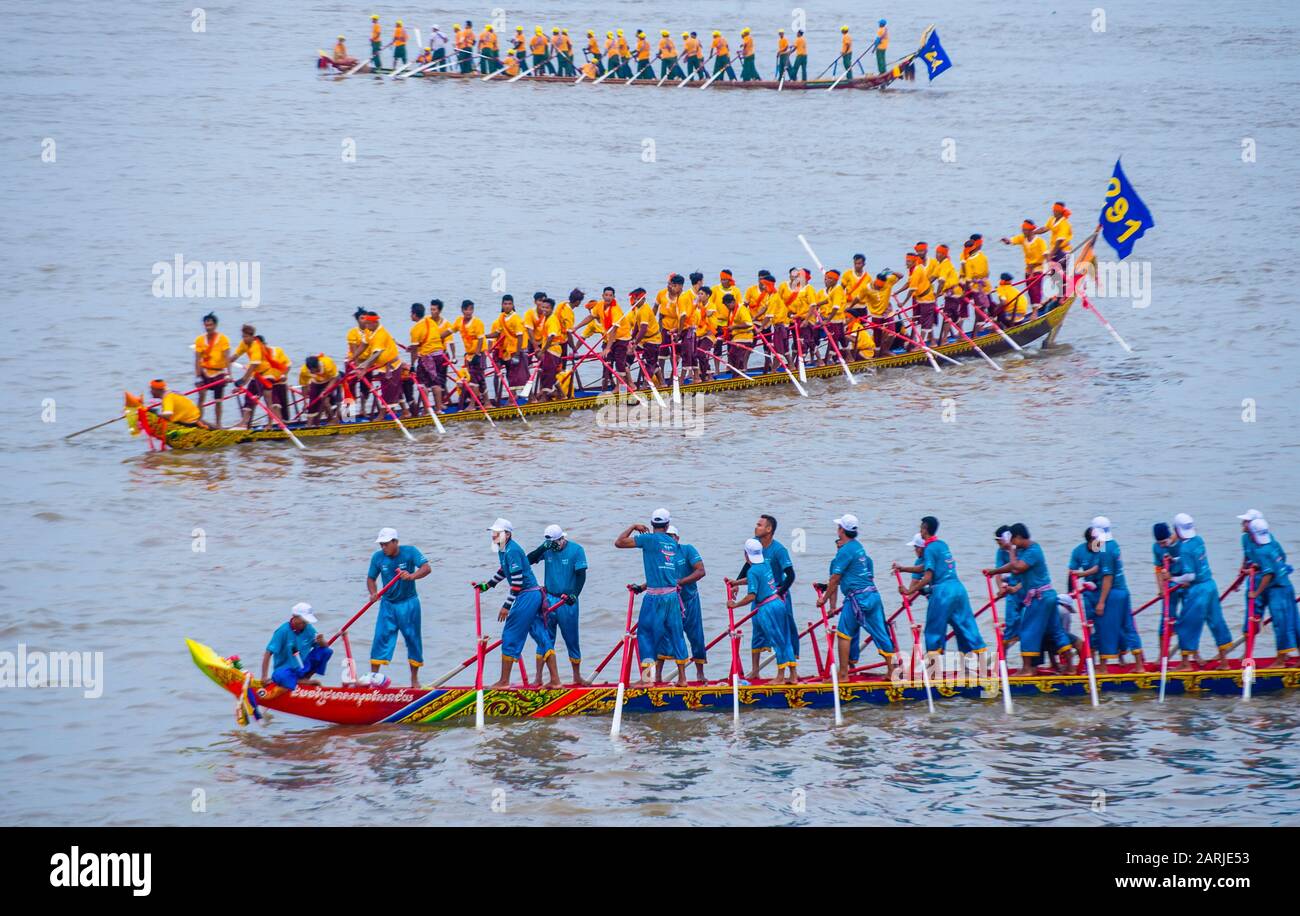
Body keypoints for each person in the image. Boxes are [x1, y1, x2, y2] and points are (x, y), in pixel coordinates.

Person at [984, 523, 1074, 674]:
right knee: (1054, 631)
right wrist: (994, 571)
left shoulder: (1033, 550)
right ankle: (1070, 667)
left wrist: (1011, 550)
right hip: (1046, 596)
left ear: (1019, 537)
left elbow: (1017, 567)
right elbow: (1013, 568)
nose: (1012, 543)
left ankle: (1027, 669)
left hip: (1040, 597)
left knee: (1027, 630)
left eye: (1013, 539)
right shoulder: (1026, 550)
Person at [477, 518, 558, 687]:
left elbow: (517, 581)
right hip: (532, 594)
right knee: (540, 634)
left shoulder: (512, 550)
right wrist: (488, 585)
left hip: (527, 595)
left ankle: (504, 681)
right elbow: (503, 570)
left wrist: (506, 606)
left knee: (510, 634)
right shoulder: (503, 549)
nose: (493, 536)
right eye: (493, 533)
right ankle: (556, 681)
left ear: (507, 534)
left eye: (496, 533)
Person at [615, 508, 690, 686]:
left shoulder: (648, 539)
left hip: (655, 597)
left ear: (651, 524)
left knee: (646, 634)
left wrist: (633, 526)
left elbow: (619, 543)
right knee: (677, 635)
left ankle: (647, 680)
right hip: (672, 596)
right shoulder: (672, 543)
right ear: (667, 525)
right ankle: (683, 679)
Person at [900, 516, 988, 666]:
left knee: (934, 631)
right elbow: (925, 567)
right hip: (959, 590)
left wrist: (910, 591)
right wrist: (903, 569)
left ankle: (933, 673)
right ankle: (983, 668)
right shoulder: (942, 545)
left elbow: (928, 576)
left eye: (921, 528)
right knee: (965, 627)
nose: (920, 530)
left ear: (925, 530)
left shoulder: (928, 548)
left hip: (943, 592)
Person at [818, 514, 897, 679]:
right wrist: (832, 605)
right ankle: (892, 671)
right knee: (881, 633)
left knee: (843, 634)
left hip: (856, 599)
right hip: (872, 595)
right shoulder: (859, 547)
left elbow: (835, 579)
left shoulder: (845, 551)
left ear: (842, 531)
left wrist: (823, 600)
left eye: (838, 527)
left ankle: (843, 674)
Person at [1168, 513, 1233, 669]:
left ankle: (1185, 664)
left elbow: (1190, 576)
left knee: (1185, 623)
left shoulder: (1184, 548)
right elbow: (1194, 559)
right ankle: (1224, 662)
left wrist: (1172, 578)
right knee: (1216, 622)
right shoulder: (1198, 540)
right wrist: (1175, 560)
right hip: (1210, 585)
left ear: (1177, 530)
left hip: (1198, 590)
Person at [366, 528, 430, 687]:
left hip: (409, 603)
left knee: (413, 640)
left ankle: (414, 681)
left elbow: (426, 568)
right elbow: (371, 578)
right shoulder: (378, 557)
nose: (383, 548)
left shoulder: (410, 552)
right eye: (381, 544)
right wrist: (373, 593)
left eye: (386, 544)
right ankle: (374, 678)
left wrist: (411, 576)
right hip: (388, 605)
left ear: (396, 542)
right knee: (380, 637)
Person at [728, 539, 797, 683]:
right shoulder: (765, 563)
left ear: (746, 555)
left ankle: (780, 677)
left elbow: (751, 596)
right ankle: (793, 675)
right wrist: (736, 582)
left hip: (767, 608)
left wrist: (735, 605)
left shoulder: (753, 570)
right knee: (785, 638)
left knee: (777, 640)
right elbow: (754, 579)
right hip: (779, 602)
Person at [735, 515, 799, 668]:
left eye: (759, 525)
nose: (756, 527)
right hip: (760, 595)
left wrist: (780, 593)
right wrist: (736, 583)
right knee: (757, 629)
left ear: (769, 529)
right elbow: (749, 566)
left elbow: (791, 575)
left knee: (782, 631)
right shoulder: (755, 545)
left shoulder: (779, 550)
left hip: (777, 594)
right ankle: (755, 671)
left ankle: (788, 670)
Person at [527, 524, 588, 685]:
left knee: (571, 639)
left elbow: (581, 576)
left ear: (562, 539)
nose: (553, 547)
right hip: (549, 600)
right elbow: (528, 561)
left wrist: (574, 595)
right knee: (544, 639)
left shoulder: (576, 550)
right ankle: (538, 679)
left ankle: (577, 677)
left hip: (567, 601)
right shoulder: (547, 549)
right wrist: (542, 548)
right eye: (550, 545)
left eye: (555, 544)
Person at [1091, 515, 1145, 670]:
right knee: (1129, 627)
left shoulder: (1105, 550)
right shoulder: (1113, 544)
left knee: (1104, 627)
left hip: (1112, 593)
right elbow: (1095, 554)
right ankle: (1139, 665)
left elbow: (1108, 577)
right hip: (1123, 591)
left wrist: (1101, 601)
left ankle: (1103, 668)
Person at [1244, 517, 1298, 667]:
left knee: (1280, 625)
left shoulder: (1261, 550)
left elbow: (1269, 575)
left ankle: (1280, 661)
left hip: (1277, 590)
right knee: (1292, 622)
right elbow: (1282, 558)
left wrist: (1255, 593)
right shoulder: (1273, 543)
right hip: (1287, 586)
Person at [665, 525, 708, 681]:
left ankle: (700, 673)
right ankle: (656, 676)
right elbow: (656, 576)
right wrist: (642, 587)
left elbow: (701, 571)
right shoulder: (661, 554)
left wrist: (681, 582)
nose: (669, 539)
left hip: (690, 600)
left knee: (696, 636)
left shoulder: (687, 550)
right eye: (666, 536)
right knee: (664, 637)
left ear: (677, 538)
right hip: (670, 602)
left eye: (672, 536)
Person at [262, 603, 331, 689]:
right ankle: (302, 682)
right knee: (279, 676)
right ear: (294, 616)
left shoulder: (308, 629)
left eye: (306, 621)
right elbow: (268, 652)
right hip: (285, 670)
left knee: (326, 651)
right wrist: (264, 677)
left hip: (302, 668)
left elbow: (325, 646)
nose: (305, 623)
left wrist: (322, 642)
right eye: (303, 620)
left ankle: (306, 678)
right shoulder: (282, 631)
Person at [355, 312, 404, 417]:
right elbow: (364, 345)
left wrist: (364, 368)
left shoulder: (380, 334)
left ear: (375, 322)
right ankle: (401, 411)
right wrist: (352, 358)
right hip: (382, 366)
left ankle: (381, 416)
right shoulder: (369, 331)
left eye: (368, 324)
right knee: (390, 390)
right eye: (365, 323)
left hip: (391, 366)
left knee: (387, 392)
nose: (366, 326)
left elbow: (375, 355)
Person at [1001, 220, 1048, 312]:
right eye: (1023, 230)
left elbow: (1046, 254)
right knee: (1030, 291)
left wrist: (1049, 263)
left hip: (1038, 268)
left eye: (1025, 230)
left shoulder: (1040, 241)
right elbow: (1013, 240)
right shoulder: (1023, 238)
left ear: (1031, 231)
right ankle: (1036, 307)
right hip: (1028, 270)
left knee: (1036, 290)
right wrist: (1007, 241)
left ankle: (1035, 312)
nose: (1023, 232)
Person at [193, 313, 232, 425]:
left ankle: (218, 424)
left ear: (215, 325)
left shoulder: (223, 339)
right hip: (205, 372)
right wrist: (198, 376)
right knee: (201, 396)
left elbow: (227, 357)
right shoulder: (200, 339)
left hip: (219, 373)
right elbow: (197, 359)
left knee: (218, 401)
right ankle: (198, 421)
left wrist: (229, 374)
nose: (208, 327)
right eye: (206, 325)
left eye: (210, 325)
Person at [450, 300, 487, 408]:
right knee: (480, 380)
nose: (468, 312)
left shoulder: (477, 323)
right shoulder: (459, 321)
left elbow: (480, 339)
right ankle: (487, 402)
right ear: (462, 310)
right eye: (466, 309)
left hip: (479, 354)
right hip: (469, 355)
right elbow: (450, 331)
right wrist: (438, 338)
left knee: (475, 381)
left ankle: (471, 405)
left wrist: (477, 355)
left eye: (471, 309)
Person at [298, 354, 341, 426]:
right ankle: (311, 424)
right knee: (312, 406)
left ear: (317, 366)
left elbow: (335, 378)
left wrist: (325, 391)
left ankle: (332, 420)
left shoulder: (328, 364)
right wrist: (305, 402)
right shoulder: (304, 370)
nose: (311, 372)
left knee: (325, 401)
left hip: (331, 380)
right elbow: (304, 386)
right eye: (310, 371)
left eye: (313, 371)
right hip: (316, 382)